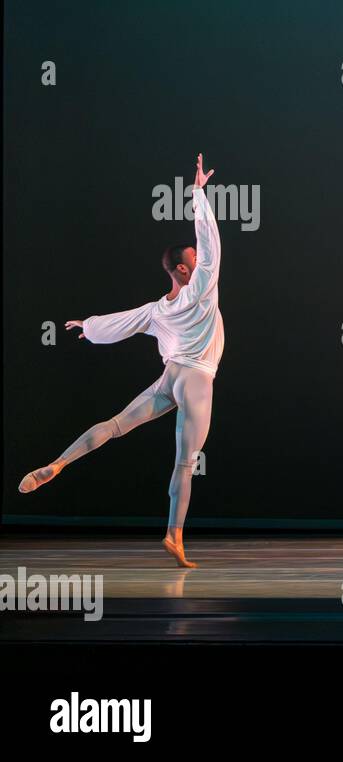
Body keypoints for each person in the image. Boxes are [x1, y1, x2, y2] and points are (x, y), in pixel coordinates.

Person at [19, 154, 226, 568]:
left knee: (116, 426)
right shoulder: (200, 287)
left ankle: (57, 464)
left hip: (170, 379)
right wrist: (198, 194)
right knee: (185, 463)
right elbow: (210, 241)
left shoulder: (157, 310)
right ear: (186, 270)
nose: (202, 260)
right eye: (195, 259)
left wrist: (88, 325)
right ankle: (174, 536)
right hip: (198, 380)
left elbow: (121, 322)